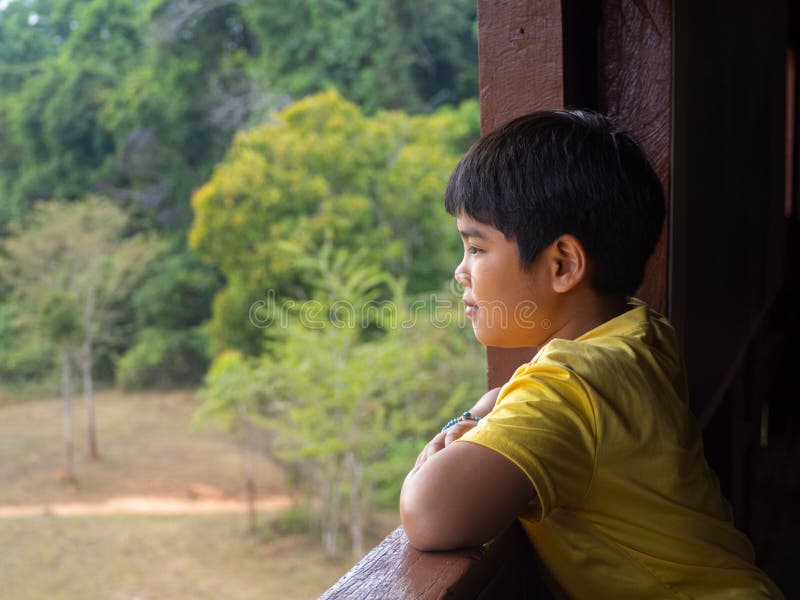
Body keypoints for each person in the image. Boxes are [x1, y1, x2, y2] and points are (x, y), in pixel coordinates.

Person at [399, 110, 783, 598]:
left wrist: (448, 435)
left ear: (563, 264)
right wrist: (495, 402)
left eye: (475, 248)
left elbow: (430, 515)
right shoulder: (641, 333)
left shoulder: (566, 387)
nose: (461, 272)